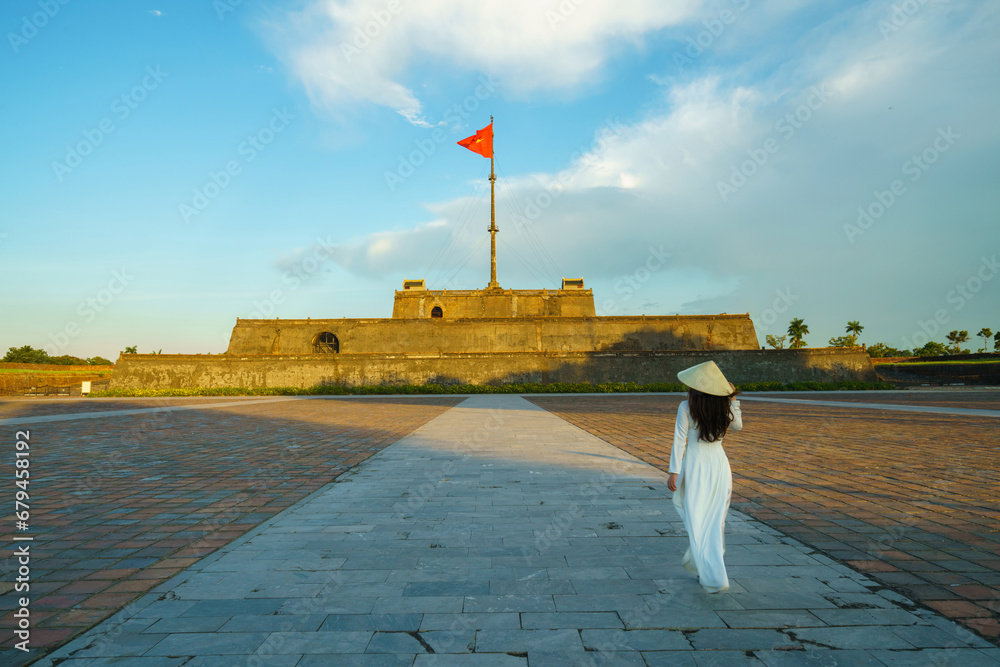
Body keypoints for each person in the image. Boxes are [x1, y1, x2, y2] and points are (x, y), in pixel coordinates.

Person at [666, 361, 742, 593]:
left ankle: (708, 571)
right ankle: (707, 569)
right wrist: (732, 400)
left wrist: (674, 471)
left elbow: (680, 441)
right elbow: (738, 426)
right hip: (719, 466)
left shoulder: (685, 406)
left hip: (695, 467)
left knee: (697, 519)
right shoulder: (723, 405)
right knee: (715, 520)